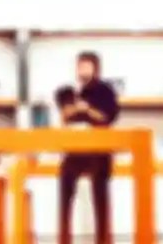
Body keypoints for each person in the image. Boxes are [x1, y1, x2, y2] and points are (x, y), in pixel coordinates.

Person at [56, 52, 120, 244]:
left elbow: (107, 117)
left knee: (101, 198)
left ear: (95, 68)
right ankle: (64, 238)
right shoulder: (70, 91)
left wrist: (87, 109)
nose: (82, 70)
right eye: (79, 66)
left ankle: (103, 239)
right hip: (76, 150)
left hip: (98, 152)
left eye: (86, 66)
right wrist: (74, 108)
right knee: (65, 189)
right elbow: (65, 116)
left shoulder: (105, 90)